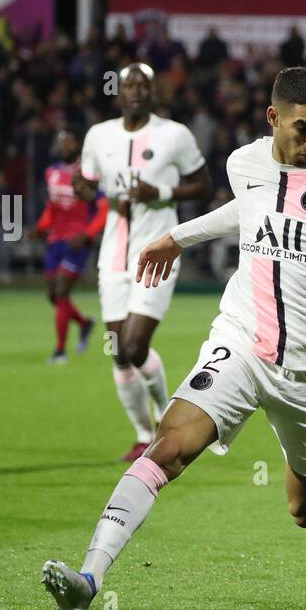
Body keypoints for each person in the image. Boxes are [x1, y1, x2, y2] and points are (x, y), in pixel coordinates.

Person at [41, 67, 306, 610]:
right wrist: (177, 236)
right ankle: (89, 577)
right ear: (273, 118)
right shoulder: (245, 163)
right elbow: (250, 209)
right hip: (242, 341)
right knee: (168, 447)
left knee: (303, 507)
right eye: (303, 128)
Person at [73, 63, 212, 461]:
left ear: (154, 93)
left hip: (156, 253)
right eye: (128, 85)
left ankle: (165, 421)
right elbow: (86, 180)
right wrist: (84, 189)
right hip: (113, 255)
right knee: (118, 349)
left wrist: (161, 190)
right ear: (118, 93)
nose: (135, 91)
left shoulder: (174, 135)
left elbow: (204, 184)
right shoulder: (99, 136)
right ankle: (142, 433)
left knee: (135, 345)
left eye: (143, 85)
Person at [34, 124, 102, 363]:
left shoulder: (89, 173)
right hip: (56, 240)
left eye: (68, 141)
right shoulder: (51, 172)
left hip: (77, 242)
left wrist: (87, 234)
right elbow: (52, 208)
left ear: (78, 145)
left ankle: (60, 350)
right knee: (53, 295)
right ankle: (84, 324)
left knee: (62, 290)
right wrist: (39, 228)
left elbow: (102, 208)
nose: (64, 146)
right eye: (61, 141)